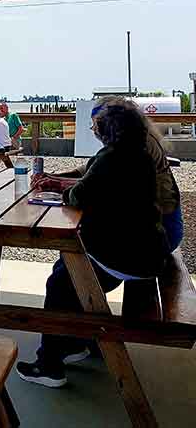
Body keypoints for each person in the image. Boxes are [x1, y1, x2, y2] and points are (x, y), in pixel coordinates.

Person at [16, 101, 171, 388]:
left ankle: (49, 363)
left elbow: (78, 196)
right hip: (148, 250)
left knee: (62, 281)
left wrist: (60, 188)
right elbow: (91, 186)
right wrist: (64, 184)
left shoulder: (113, 158)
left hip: (128, 256)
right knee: (67, 269)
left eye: (96, 126)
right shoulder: (138, 155)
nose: (94, 130)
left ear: (108, 130)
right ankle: (78, 341)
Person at [32, 96, 183, 251]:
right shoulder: (132, 141)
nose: (95, 130)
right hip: (154, 230)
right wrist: (53, 177)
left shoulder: (130, 149)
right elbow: (94, 175)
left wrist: (57, 184)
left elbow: (91, 187)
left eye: (96, 124)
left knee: (74, 248)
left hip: (160, 230)